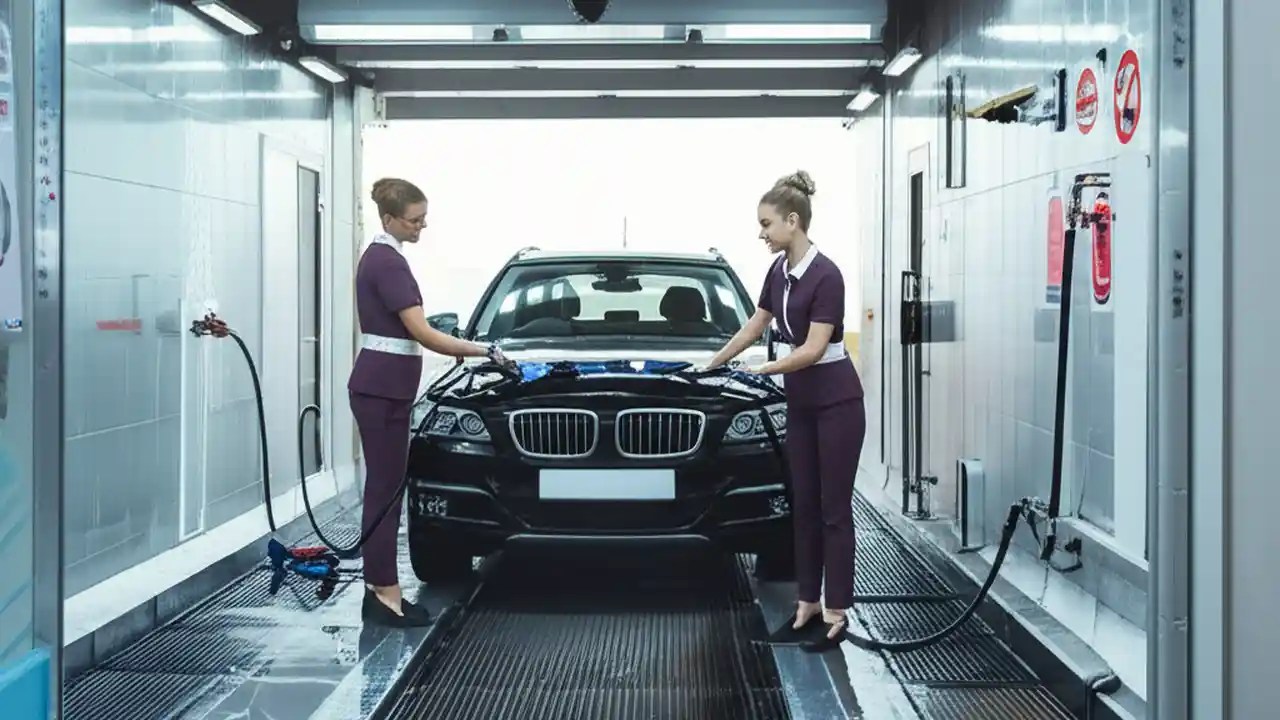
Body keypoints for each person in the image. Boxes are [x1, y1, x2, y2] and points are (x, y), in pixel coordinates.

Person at [705, 170, 866, 645]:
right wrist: (713, 364)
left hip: (836, 402)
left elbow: (814, 349)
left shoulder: (827, 275)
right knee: (804, 508)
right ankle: (807, 605)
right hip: (801, 403)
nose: (761, 233)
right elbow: (755, 326)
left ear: (792, 222)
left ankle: (837, 612)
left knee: (834, 510)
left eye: (766, 224)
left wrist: (763, 371)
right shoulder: (778, 273)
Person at [348, 177, 510, 627]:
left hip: (385, 389)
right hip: (382, 391)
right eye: (415, 220)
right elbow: (421, 332)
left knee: (386, 489)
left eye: (423, 218)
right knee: (384, 492)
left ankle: (382, 590)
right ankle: (384, 594)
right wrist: (483, 350)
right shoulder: (387, 263)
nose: (422, 227)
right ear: (389, 220)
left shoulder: (385, 259)